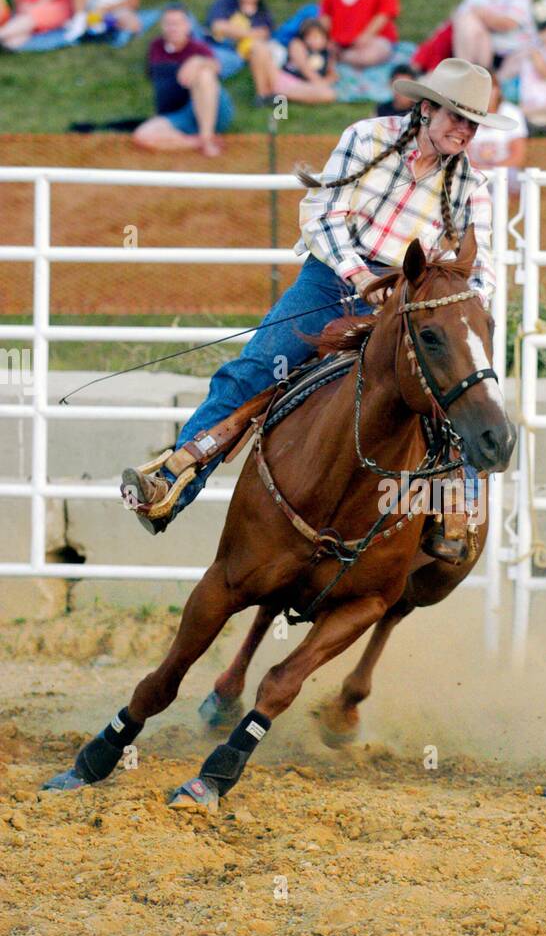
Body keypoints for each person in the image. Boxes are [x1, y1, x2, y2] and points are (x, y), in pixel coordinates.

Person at [120, 57, 515, 563]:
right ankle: (172, 483)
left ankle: (452, 513)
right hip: (333, 275)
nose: (465, 131)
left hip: (409, 298)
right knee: (260, 367)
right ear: (425, 108)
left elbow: (479, 266)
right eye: (456, 117)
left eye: (473, 122)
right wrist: (361, 277)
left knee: (459, 386)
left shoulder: (470, 187)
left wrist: (465, 306)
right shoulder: (367, 139)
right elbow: (325, 217)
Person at [133, 5, 233, 159]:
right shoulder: (156, 47)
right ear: (162, 26)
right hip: (180, 114)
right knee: (142, 136)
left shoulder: (197, 48)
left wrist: (197, 61)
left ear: (187, 25)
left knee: (204, 74)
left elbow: (216, 66)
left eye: (177, 23)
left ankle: (207, 136)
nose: (172, 28)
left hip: (211, 108)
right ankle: (197, 141)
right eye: (168, 23)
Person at [250, 14, 337, 104]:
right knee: (258, 47)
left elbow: (332, 75)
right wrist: (319, 83)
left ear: (325, 38)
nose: (312, 41)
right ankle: (262, 94)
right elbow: (304, 67)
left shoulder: (327, 53)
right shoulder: (297, 45)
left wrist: (325, 82)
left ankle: (275, 95)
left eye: (316, 37)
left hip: (302, 86)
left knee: (329, 94)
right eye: (309, 37)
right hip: (284, 78)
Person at [206, 0, 273, 61]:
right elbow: (217, 26)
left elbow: (264, 34)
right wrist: (251, 33)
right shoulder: (225, 1)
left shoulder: (263, 12)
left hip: (235, 54)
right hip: (214, 44)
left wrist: (229, 30)